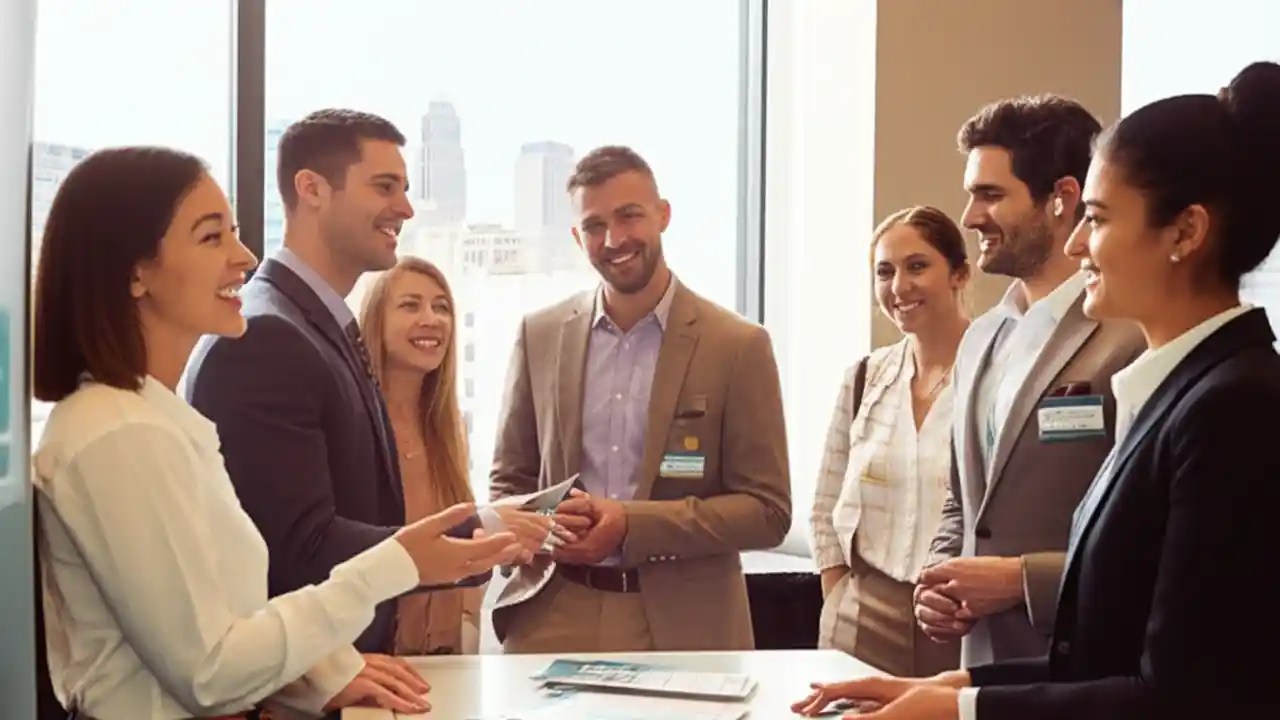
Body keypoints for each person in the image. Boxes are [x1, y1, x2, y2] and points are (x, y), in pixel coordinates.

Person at [793, 60, 1280, 720]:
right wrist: (944, 688)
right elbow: (1107, 651)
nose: (1080, 244)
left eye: (1099, 219)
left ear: (1186, 233)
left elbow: (1180, 694)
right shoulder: (1180, 393)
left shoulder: (1236, 407)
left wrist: (956, 712)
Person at [30, 146, 524, 718]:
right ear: (136, 271)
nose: (243, 257)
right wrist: (394, 563)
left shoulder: (152, 420)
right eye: (211, 238)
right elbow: (210, 671)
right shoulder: (117, 434)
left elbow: (213, 622)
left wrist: (324, 674)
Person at [182, 109, 550, 656]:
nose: (404, 208)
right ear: (311, 189)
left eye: (404, 188)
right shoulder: (268, 336)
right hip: (302, 686)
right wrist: (483, 530)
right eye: (384, 187)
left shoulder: (311, 325)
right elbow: (295, 551)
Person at [489, 145, 792, 653]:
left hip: (685, 625)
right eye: (593, 225)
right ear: (575, 237)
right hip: (552, 614)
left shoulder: (737, 345)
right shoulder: (537, 335)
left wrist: (631, 523)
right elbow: (509, 479)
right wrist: (538, 525)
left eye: (629, 216)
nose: (614, 239)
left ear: (663, 214)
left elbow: (768, 511)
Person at [916, 95, 1143, 667]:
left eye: (990, 195)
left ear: (1062, 199)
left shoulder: (1133, 337)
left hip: (1087, 666)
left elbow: (1150, 535)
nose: (968, 217)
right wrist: (941, 583)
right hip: (982, 670)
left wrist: (1022, 581)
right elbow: (964, 503)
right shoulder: (982, 337)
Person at [811, 206, 969, 677]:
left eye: (917, 266)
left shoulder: (998, 372)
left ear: (959, 273)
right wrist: (839, 594)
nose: (899, 286)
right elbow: (825, 504)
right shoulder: (864, 377)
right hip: (863, 615)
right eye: (885, 271)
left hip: (960, 618)